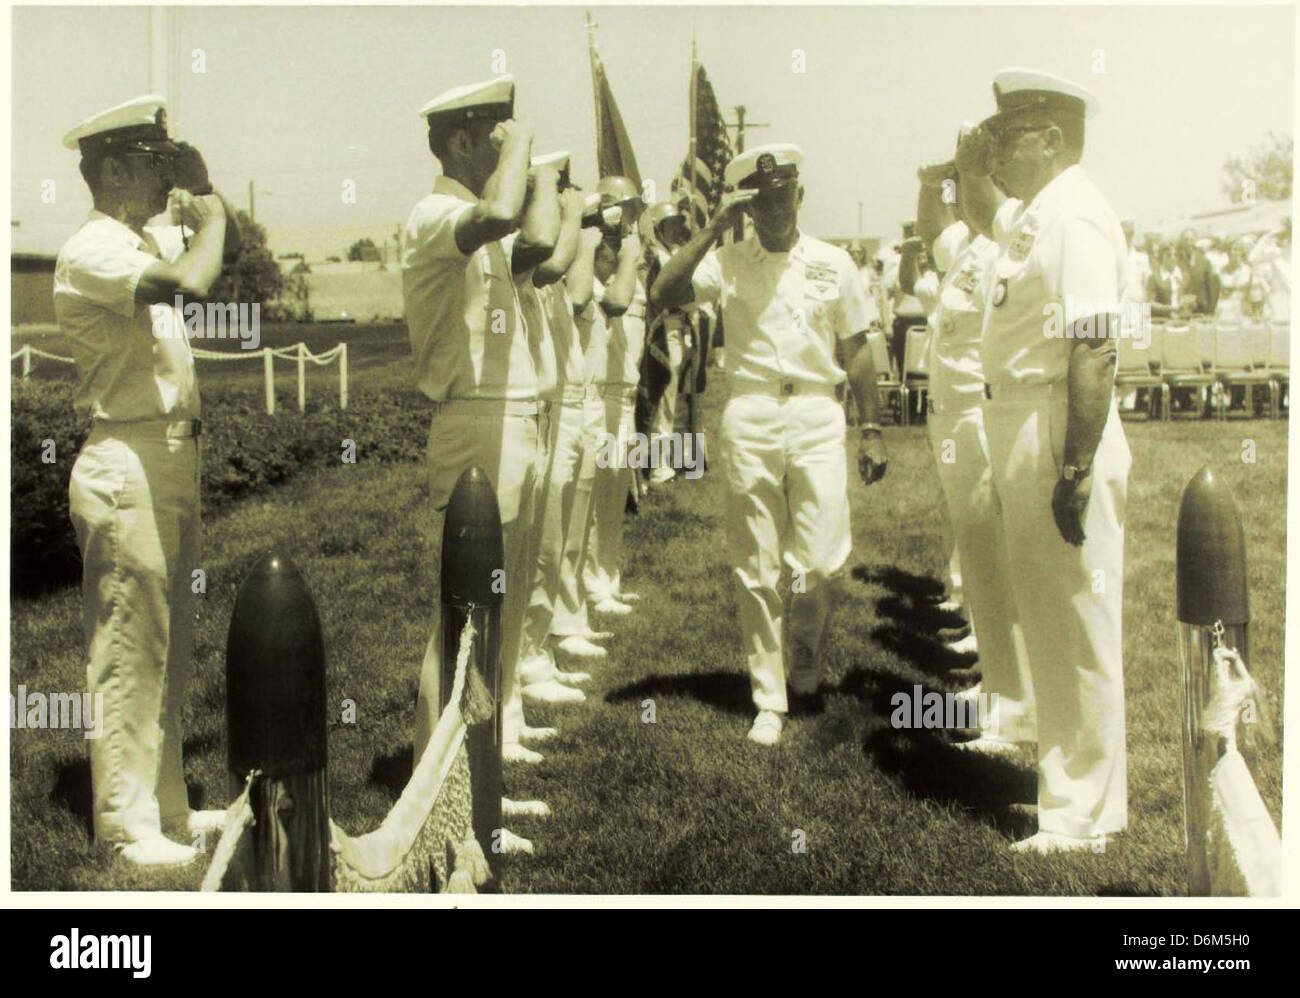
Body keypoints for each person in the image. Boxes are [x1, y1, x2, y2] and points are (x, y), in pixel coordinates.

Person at [56, 94, 241, 866]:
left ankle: (165, 803)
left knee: (164, 643)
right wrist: (216, 217)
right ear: (117, 168)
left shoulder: (135, 240)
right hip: (125, 459)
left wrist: (205, 188)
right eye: (157, 167)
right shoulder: (94, 248)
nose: (171, 184)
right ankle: (124, 824)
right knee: (129, 646)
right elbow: (194, 282)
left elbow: (193, 243)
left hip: (162, 457)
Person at [651, 143, 888, 746]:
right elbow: (662, 290)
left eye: (784, 194)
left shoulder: (834, 264)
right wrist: (711, 228)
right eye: (762, 199)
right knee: (755, 562)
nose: (775, 208)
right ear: (746, 206)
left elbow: (858, 348)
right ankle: (768, 697)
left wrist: (872, 426)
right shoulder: (727, 262)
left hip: (815, 409)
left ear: (800, 196)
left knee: (816, 561)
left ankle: (804, 659)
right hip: (751, 409)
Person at [955, 69, 1129, 853]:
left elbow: (1095, 348)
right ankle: (1068, 795)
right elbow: (988, 218)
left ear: (1054, 138)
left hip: (1060, 425)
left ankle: (1084, 814)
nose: (997, 144)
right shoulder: (1038, 214)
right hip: (1024, 419)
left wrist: (1075, 469)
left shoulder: (1078, 216)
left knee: (1075, 622)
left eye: (1010, 131)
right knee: (1050, 619)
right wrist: (968, 170)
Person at [402, 75, 558, 765]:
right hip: (473, 426)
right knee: (463, 612)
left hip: (512, 420)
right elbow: (502, 213)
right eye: (493, 138)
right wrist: (522, 145)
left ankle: (487, 758)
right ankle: (436, 780)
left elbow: (545, 241)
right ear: (461, 141)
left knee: (505, 601)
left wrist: (542, 171)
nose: (504, 151)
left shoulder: (482, 223)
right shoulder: (437, 216)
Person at [913, 150, 1035, 752]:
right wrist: (930, 183)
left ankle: (1015, 701)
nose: (959, 198)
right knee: (981, 558)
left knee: (999, 560)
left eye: (967, 186)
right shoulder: (967, 246)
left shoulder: (1005, 249)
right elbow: (931, 232)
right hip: (953, 415)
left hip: (982, 415)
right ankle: (999, 686)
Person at [511, 151, 599, 711]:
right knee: (536, 548)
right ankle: (524, 657)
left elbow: (577, 285)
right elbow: (563, 268)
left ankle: (534, 650)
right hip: (534, 413)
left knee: (545, 545)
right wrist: (575, 217)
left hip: (547, 413)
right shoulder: (525, 249)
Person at [582, 176, 646, 618]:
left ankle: (610, 576)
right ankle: (590, 587)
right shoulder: (593, 253)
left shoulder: (633, 260)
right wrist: (624, 257)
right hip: (596, 394)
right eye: (624, 207)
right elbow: (612, 304)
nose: (630, 217)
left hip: (625, 394)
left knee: (614, 498)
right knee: (592, 501)